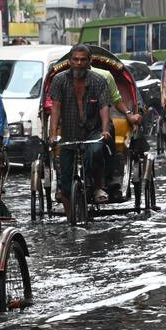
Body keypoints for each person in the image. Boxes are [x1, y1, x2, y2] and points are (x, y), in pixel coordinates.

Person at [48, 43, 112, 219]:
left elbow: (104, 107)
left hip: (93, 130)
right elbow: (55, 109)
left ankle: (96, 184)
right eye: (75, 59)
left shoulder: (99, 81)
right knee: (66, 182)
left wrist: (105, 130)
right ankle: (71, 219)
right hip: (69, 132)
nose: (79, 63)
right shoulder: (60, 80)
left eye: (83, 60)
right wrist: (53, 134)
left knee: (95, 151)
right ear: (70, 61)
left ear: (89, 61)